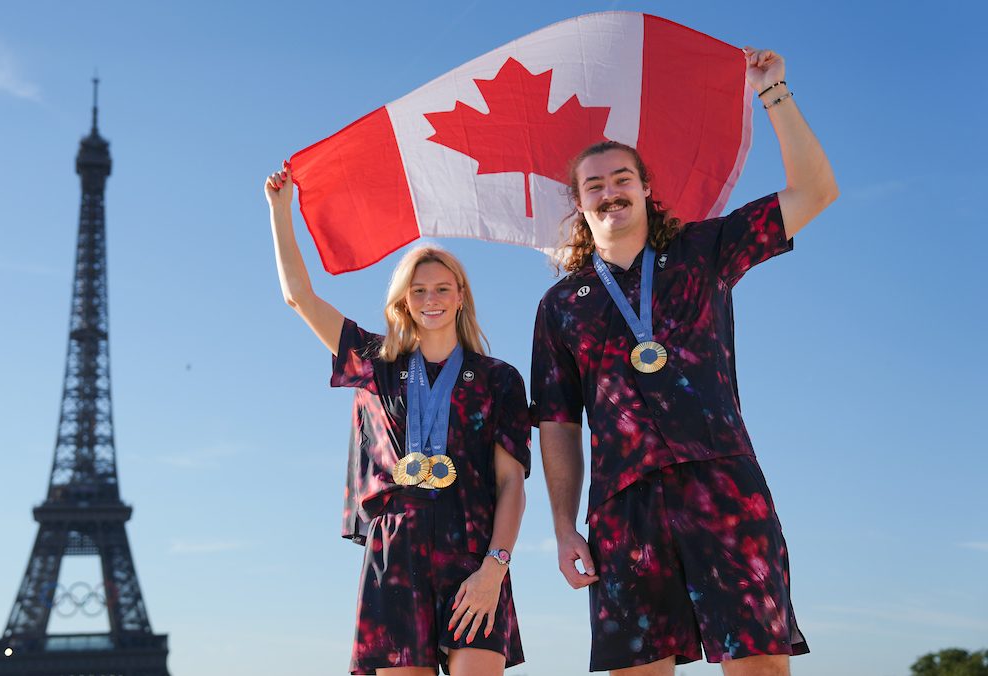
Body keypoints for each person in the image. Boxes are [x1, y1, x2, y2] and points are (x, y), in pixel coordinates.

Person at [530, 48, 838, 675]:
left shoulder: (705, 249)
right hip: (623, 504)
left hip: (721, 481)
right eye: (595, 185)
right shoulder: (560, 305)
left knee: (759, 664)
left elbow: (815, 191)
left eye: (622, 179)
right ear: (579, 203)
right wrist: (564, 528)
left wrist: (773, 92)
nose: (610, 192)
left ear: (646, 187)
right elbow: (558, 423)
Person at [265, 161, 531, 676]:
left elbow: (510, 484)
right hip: (396, 549)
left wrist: (495, 569)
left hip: (473, 549)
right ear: (404, 300)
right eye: (419, 289)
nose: (431, 299)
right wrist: (281, 212)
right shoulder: (375, 363)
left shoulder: (499, 378)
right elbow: (298, 296)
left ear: (461, 296)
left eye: (443, 288)